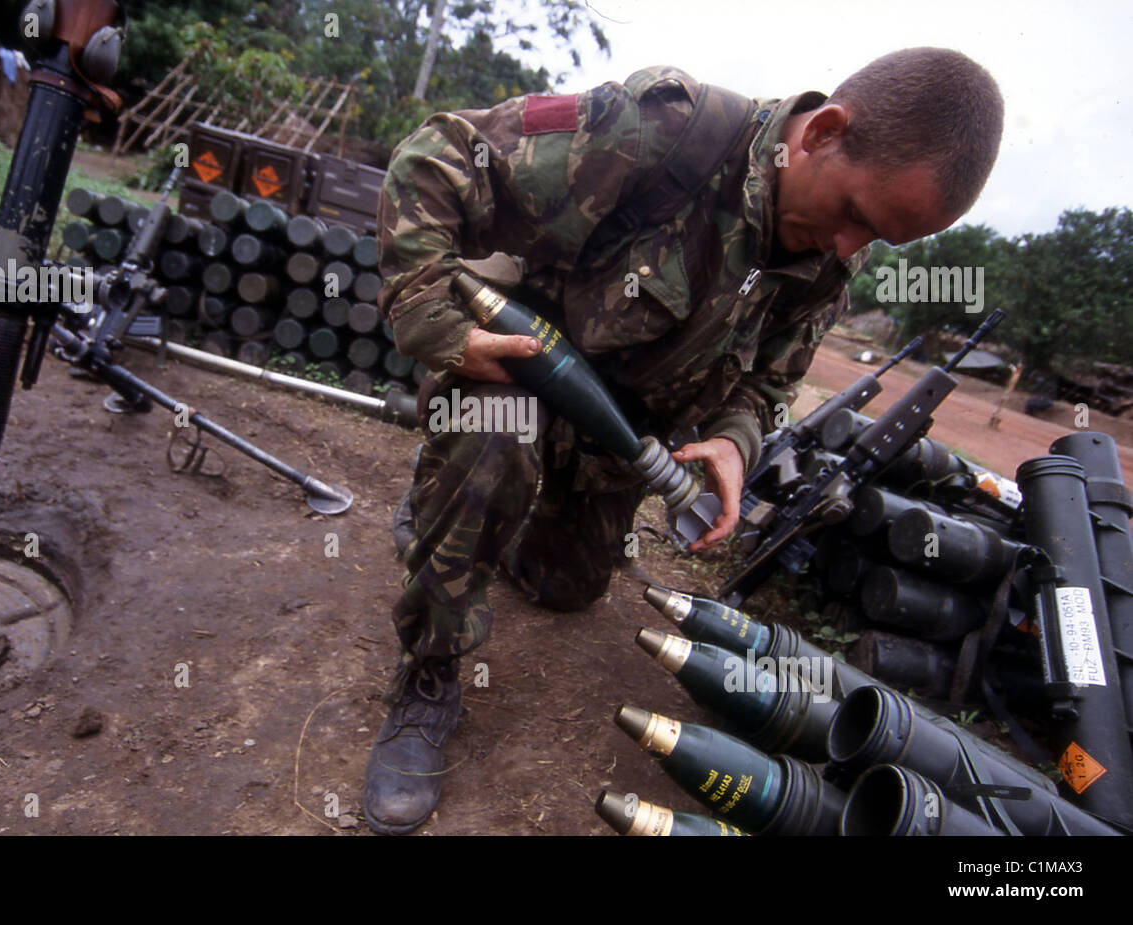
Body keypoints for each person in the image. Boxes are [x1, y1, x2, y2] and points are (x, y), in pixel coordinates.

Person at [363, 47, 1004, 835]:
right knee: (493, 446)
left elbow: (767, 384)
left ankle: (460, 526)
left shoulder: (827, 262)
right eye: (857, 217)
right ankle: (430, 667)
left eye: (876, 241)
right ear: (824, 132)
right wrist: (434, 319)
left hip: (619, 444)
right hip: (514, 381)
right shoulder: (662, 131)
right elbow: (437, 155)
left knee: (567, 588)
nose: (848, 249)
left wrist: (735, 440)